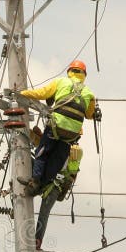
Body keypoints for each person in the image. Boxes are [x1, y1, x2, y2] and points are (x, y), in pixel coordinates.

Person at [17, 60, 100, 201]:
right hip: (72, 134)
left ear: (70, 71)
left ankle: (35, 181)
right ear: (84, 75)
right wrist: (96, 112)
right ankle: (42, 185)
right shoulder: (89, 93)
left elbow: (42, 93)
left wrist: (22, 93)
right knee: (56, 161)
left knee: (42, 153)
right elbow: (89, 115)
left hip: (56, 127)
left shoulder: (61, 82)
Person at [34, 143, 83, 252]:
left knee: (44, 213)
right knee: (44, 214)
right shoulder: (75, 151)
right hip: (54, 184)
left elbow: (43, 145)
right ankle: (37, 241)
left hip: (54, 184)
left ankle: (37, 241)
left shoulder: (66, 148)